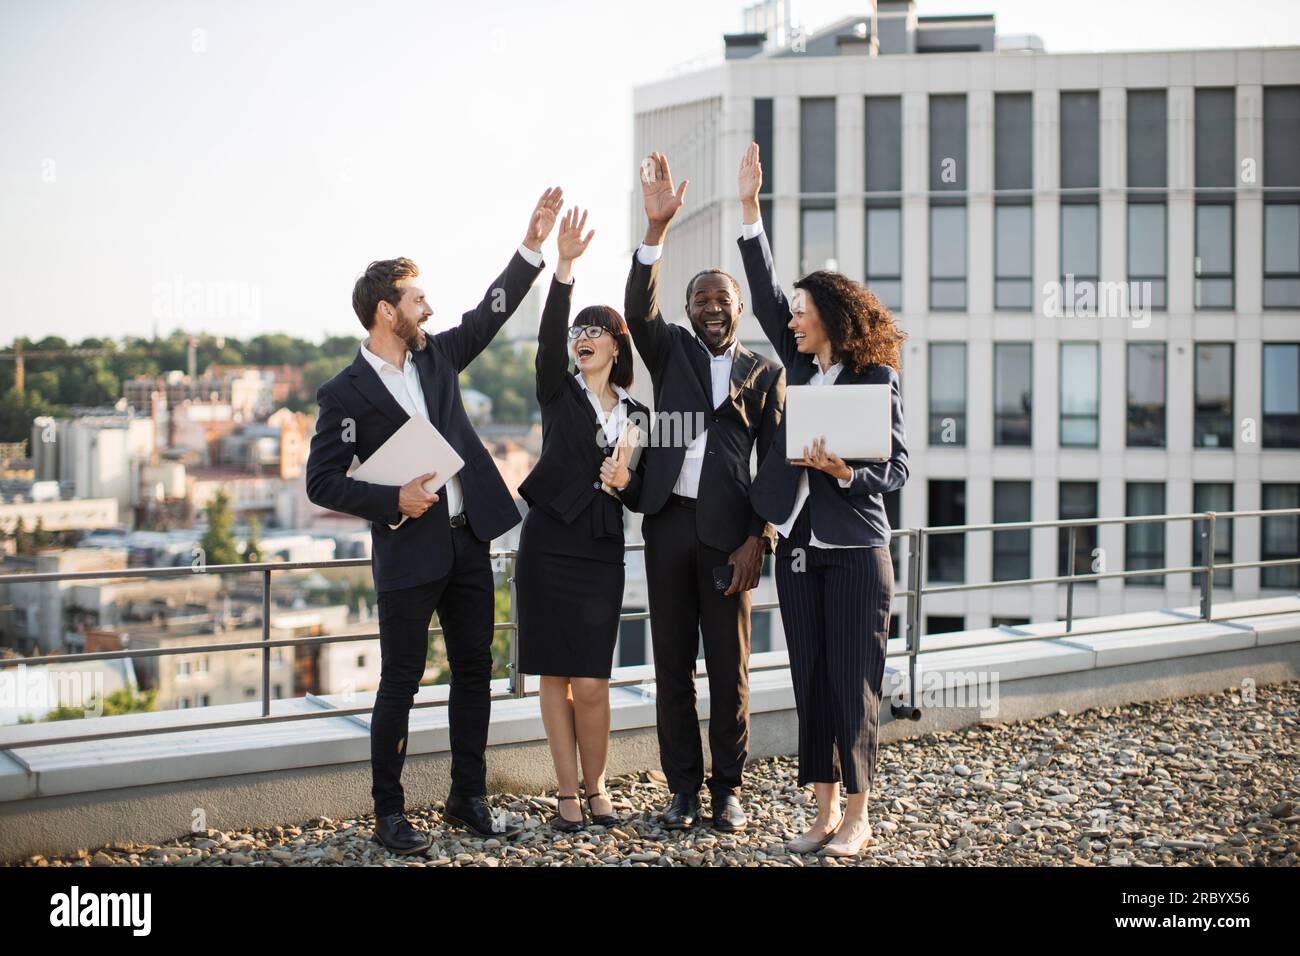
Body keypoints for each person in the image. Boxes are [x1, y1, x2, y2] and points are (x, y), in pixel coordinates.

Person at [305, 188, 565, 854]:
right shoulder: (342, 393)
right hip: (407, 551)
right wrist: (392, 500)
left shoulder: (439, 357)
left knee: (474, 671)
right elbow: (321, 481)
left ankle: (466, 796)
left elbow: (491, 313)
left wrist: (530, 246)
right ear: (387, 311)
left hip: (468, 538)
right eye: (418, 299)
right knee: (401, 680)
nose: (430, 307)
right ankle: (388, 814)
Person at [736, 142, 910, 857]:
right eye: (794, 315)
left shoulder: (877, 376)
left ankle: (861, 818)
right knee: (809, 680)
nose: (793, 322)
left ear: (832, 317)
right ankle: (822, 812)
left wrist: (843, 472)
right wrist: (750, 210)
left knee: (853, 683)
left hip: (858, 550)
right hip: (800, 547)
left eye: (805, 313)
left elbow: (896, 469)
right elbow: (768, 285)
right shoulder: (802, 364)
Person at [623, 151, 784, 832]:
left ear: (739, 308)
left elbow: (778, 466)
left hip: (730, 540)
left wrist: (760, 540)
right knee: (671, 669)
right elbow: (639, 304)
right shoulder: (671, 353)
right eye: (700, 301)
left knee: (731, 671)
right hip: (667, 527)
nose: (711, 308)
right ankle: (683, 791)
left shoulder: (766, 372)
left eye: (722, 299)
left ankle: (726, 790)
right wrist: (654, 230)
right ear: (688, 313)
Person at [514, 207, 650, 832]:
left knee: (591, 681)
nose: (581, 336)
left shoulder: (640, 415)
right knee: (553, 674)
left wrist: (628, 480)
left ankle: (598, 788)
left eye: (596, 329)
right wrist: (564, 266)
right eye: (578, 331)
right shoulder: (555, 390)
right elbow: (546, 337)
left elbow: (646, 492)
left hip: (599, 551)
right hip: (547, 546)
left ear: (616, 345)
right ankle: (567, 794)